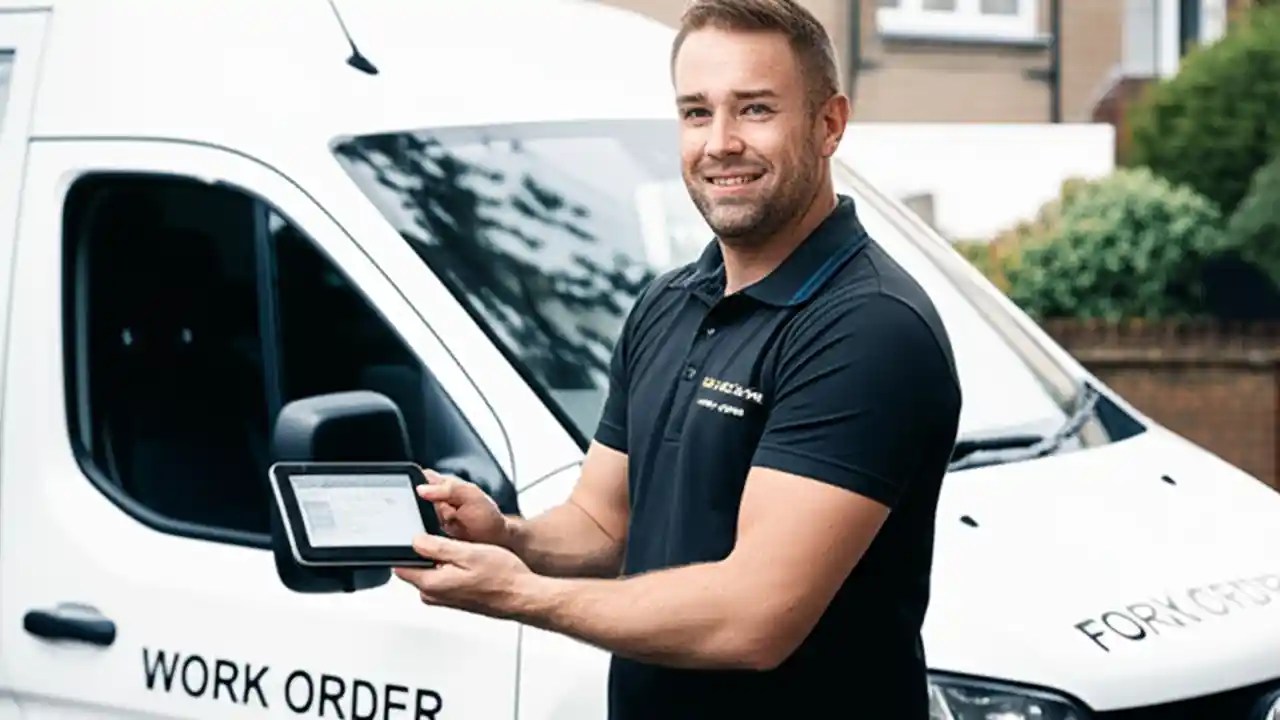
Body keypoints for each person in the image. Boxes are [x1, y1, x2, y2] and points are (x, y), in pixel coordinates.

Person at [392, 0, 963, 716]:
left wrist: (517, 593)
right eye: (697, 112)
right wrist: (509, 537)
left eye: (754, 109)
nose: (720, 142)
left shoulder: (869, 327)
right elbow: (604, 526)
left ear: (829, 125)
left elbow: (754, 618)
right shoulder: (669, 303)